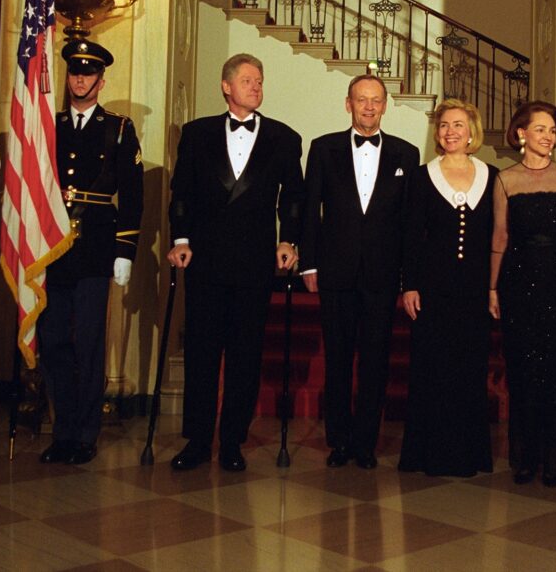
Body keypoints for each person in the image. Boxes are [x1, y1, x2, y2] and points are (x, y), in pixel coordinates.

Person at [168, 53, 304, 472]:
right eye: (248, 81)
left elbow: (294, 198)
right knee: (202, 353)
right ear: (226, 86)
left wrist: (288, 239)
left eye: (260, 81)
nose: (256, 88)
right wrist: (180, 239)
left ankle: (231, 441)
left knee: (245, 355)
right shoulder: (196, 134)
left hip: (254, 263)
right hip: (206, 261)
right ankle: (196, 440)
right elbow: (181, 193)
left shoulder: (284, 137)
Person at [300, 74, 419, 469]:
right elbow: (309, 210)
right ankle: (339, 441)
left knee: (375, 360)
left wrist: (407, 278)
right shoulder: (322, 148)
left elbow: (407, 222)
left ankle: (366, 442)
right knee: (337, 359)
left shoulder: (407, 153)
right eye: (361, 100)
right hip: (335, 271)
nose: (369, 107)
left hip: (382, 276)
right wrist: (310, 262)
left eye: (376, 100)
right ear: (347, 103)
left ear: (385, 106)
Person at [37, 40, 144, 466]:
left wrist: (126, 248)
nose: (80, 80)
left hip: (96, 245)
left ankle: (84, 433)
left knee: (89, 343)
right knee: (54, 339)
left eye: (88, 74)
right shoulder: (49, 125)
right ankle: (61, 429)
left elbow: (133, 193)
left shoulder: (118, 128)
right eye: (74, 73)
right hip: (51, 244)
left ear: (102, 80)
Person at [489, 101, 556, 487]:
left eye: (552, 130)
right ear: (522, 134)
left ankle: (554, 457)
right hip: (520, 282)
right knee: (525, 371)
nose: (548, 137)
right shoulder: (505, 181)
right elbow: (500, 238)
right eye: (540, 129)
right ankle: (525, 457)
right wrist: (492, 288)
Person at [398, 99, 496, 477]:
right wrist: (410, 286)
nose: (450, 131)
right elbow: (411, 237)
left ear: (472, 131)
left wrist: (493, 288)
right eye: (444, 125)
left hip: (474, 290)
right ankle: (430, 455)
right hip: (433, 290)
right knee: (431, 370)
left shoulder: (493, 176)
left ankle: (469, 455)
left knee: (470, 370)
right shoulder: (422, 177)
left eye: (458, 125)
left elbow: (497, 238)